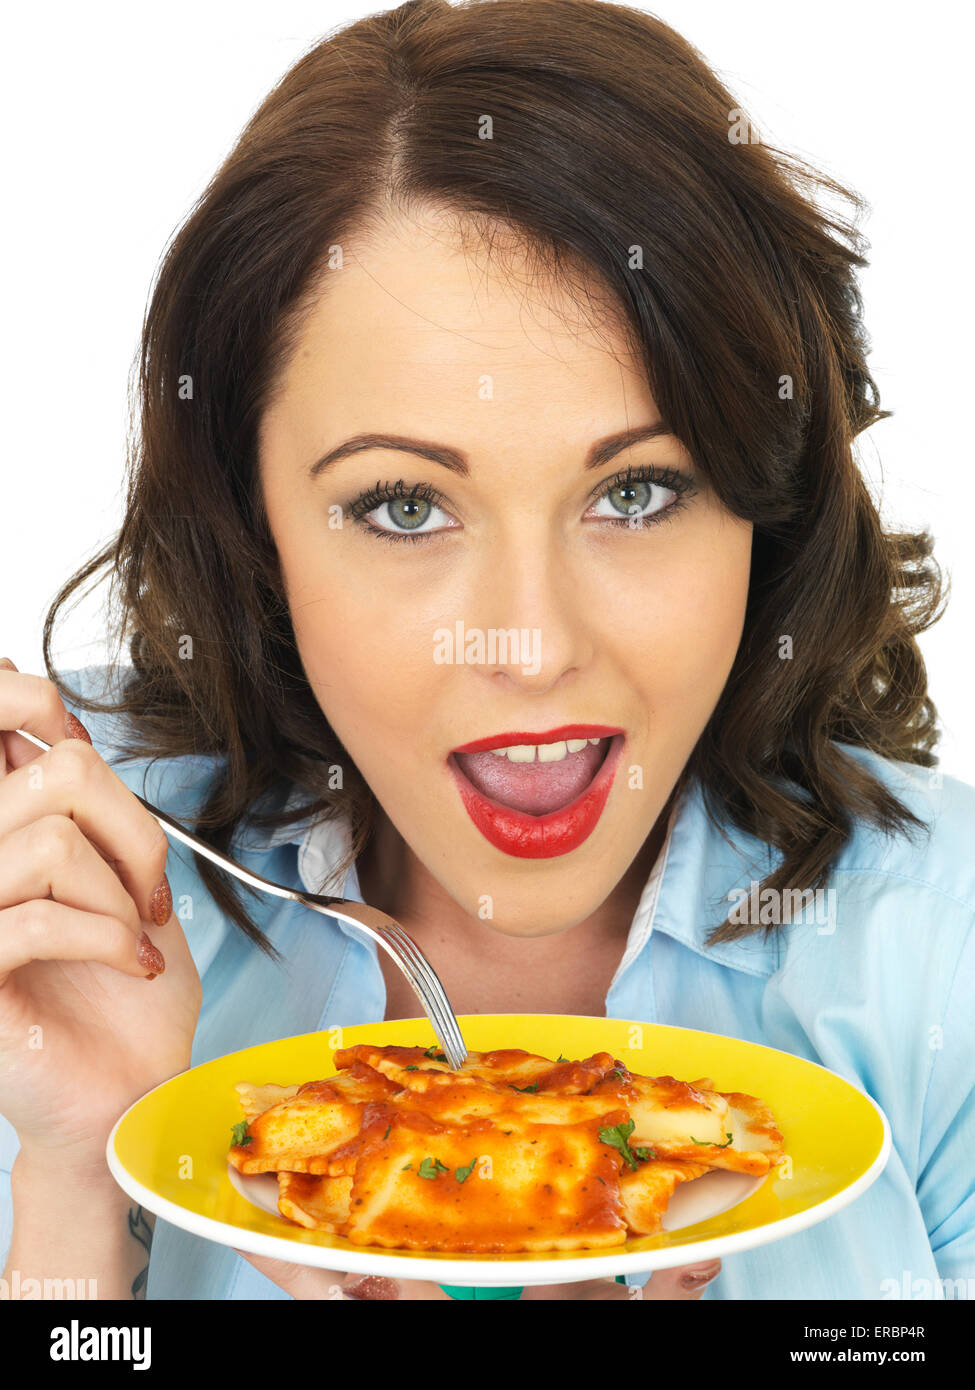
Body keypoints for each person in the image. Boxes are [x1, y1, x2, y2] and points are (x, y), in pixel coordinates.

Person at [1, 0, 972, 1302]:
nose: (530, 645)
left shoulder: (939, 950)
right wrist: (78, 1189)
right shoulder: (54, 908)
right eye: (404, 505)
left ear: (764, 496)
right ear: (254, 526)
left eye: (636, 492)